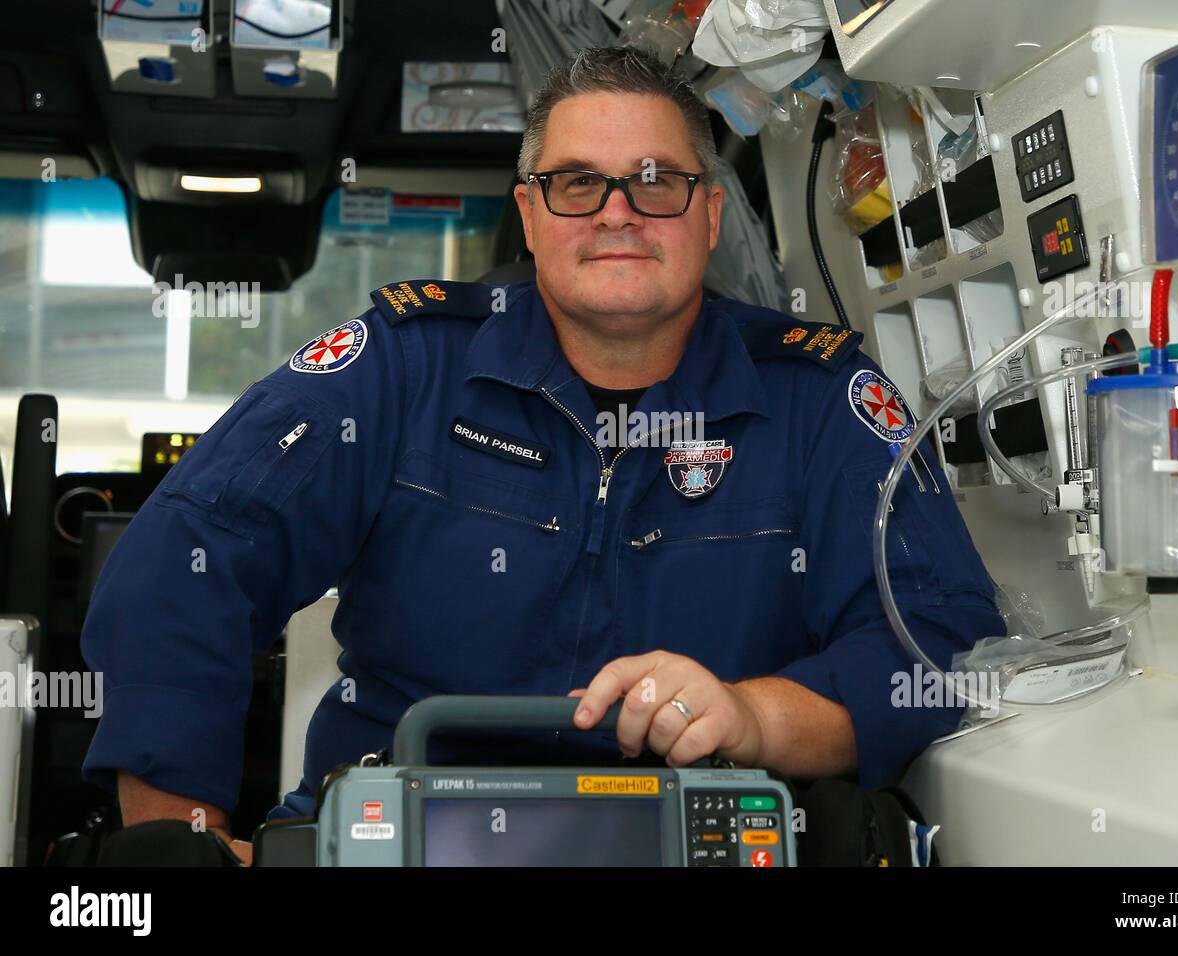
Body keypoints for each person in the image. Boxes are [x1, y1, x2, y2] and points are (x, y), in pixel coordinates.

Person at [81, 45, 1003, 864]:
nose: (616, 214)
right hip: (395, 835)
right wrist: (180, 844)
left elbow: (941, 638)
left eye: (655, 182)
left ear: (710, 213)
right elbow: (182, 562)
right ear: (529, 214)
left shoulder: (821, 399)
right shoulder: (404, 367)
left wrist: (755, 714)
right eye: (576, 184)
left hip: (701, 837)